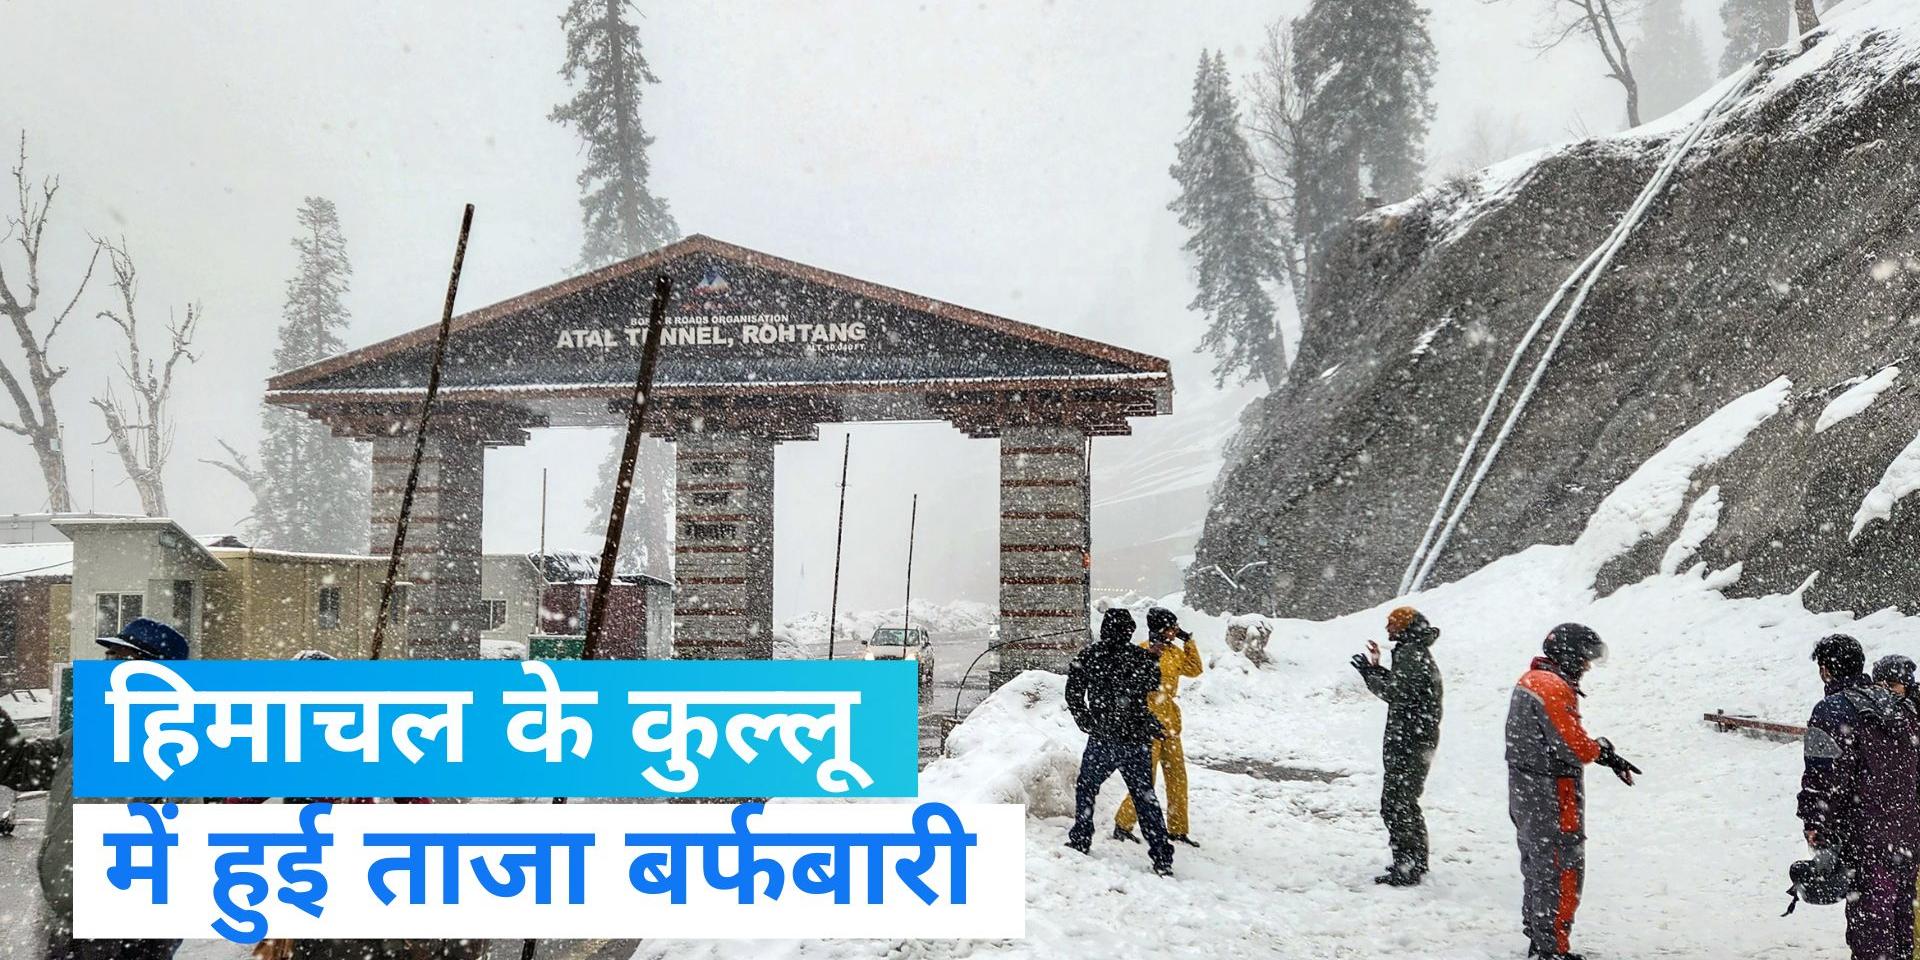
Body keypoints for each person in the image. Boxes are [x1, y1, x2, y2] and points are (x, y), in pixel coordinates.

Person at [0, 616, 189, 960]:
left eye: (121, 660)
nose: (108, 668)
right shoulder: (94, 732)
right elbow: (23, 764)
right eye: (109, 658)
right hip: (68, 919)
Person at [1504, 623, 1640, 960]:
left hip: (1527, 792)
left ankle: (1539, 937)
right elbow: (1571, 746)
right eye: (1584, 658)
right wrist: (1602, 751)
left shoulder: (1532, 680)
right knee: (1562, 869)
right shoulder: (1551, 686)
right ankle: (1553, 950)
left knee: (1537, 865)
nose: (1587, 666)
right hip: (1552, 793)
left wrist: (1601, 753)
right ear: (1569, 655)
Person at [1797, 637, 1920, 960]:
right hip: (1907, 833)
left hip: (1866, 836)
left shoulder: (1832, 710)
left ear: (1825, 671)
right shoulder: (1903, 706)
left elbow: (1824, 779)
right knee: (1902, 919)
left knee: (1871, 925)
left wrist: (1816, 824)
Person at [1064, 607, 1175, 876]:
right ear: (1129, 631)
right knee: (1144, 797)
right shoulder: (1139, 658)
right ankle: (1161, 856)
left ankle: (1081, 836)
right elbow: (1152, 685)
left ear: (1103, 629)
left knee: (1087, 787)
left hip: (1102, 739)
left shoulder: (1089, 656)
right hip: (1136, 740)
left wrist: (1086, 720)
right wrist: (1151, 659)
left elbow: (1073, 693)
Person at [1350, 606, 1444, 886]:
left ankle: (1408, 866)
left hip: (1410, 740)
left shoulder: (1412, 654)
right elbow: (1403, 687)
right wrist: (1377, 669)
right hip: (1412, 737)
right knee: (1402, 801)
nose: (1387, 629)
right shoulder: (1411, 650)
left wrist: (1370, 674)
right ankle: (1413, 862)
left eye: (1391, 624)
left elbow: (1396, 693)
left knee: (1396, 803)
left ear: (1403, 627)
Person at [1114, 606, 1204, 848]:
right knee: (1145, 779)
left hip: (1171, 725)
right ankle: (1122, 825)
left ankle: (1177, 830)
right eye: (1172, 627)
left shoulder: (1175, 653)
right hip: (1146, 724)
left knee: (1177, 778)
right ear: (1161, 629)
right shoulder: (1142, 651)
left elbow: (1195, 669)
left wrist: (1189, 641)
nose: (1176, 630)